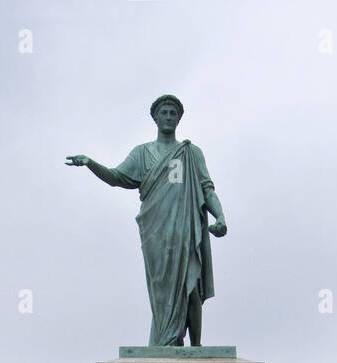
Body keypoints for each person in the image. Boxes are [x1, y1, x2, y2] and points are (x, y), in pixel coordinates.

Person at [67, 94, 228, 347]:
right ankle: (167, 341)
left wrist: (221, 216)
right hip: (156, 231)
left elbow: (206, 189)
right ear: (155, 117)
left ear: (179, 119)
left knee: (191, 289)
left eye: (173, 113)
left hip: (185, 228)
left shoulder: (190, 153)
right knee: (163, 292)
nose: (168, 117)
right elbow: (116, 176)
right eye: (163, 112)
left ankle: (196, 352)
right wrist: (90, 163)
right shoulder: (143, 153)